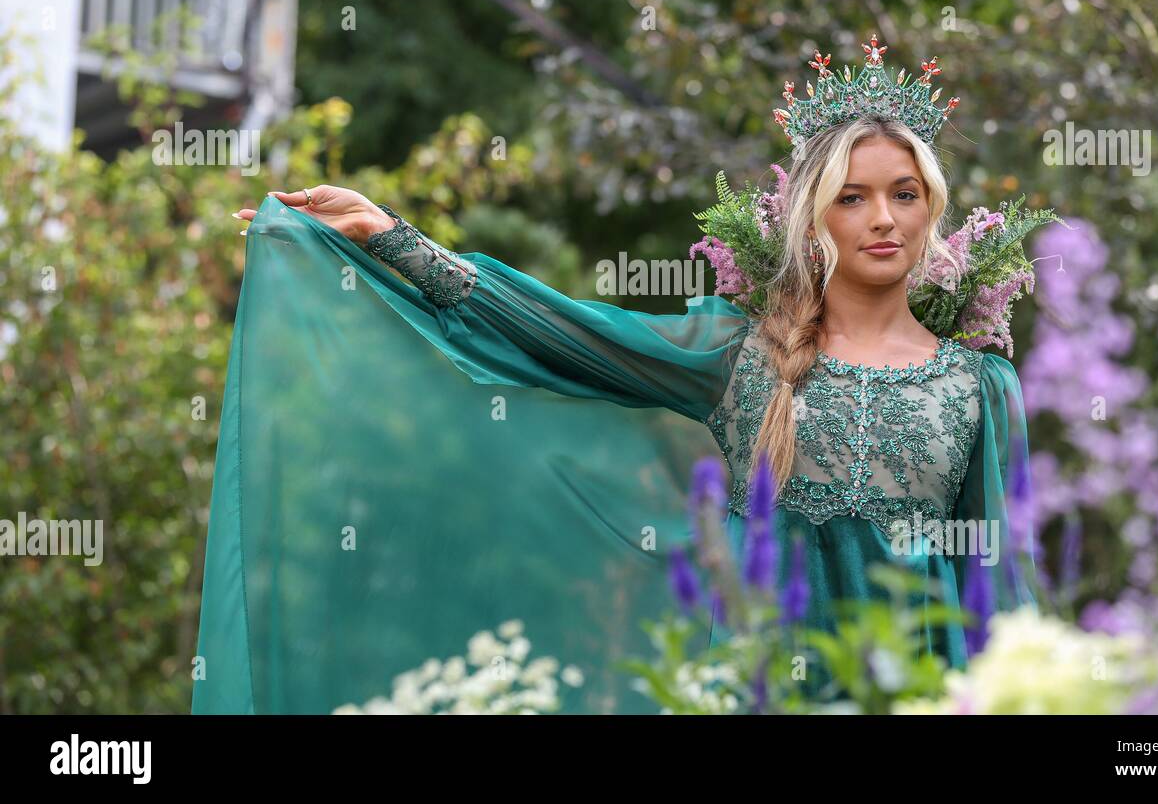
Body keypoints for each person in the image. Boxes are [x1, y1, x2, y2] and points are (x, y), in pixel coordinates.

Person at [203, 38, 1038, 713]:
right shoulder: (739, 356)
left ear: (933, 207)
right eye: (852, 197)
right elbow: (570, 333)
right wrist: (393, 239)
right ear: (813, 216)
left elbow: (1002, 584)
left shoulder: (978, 387)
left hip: (925, 692)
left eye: (904, 194)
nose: (883, 218)